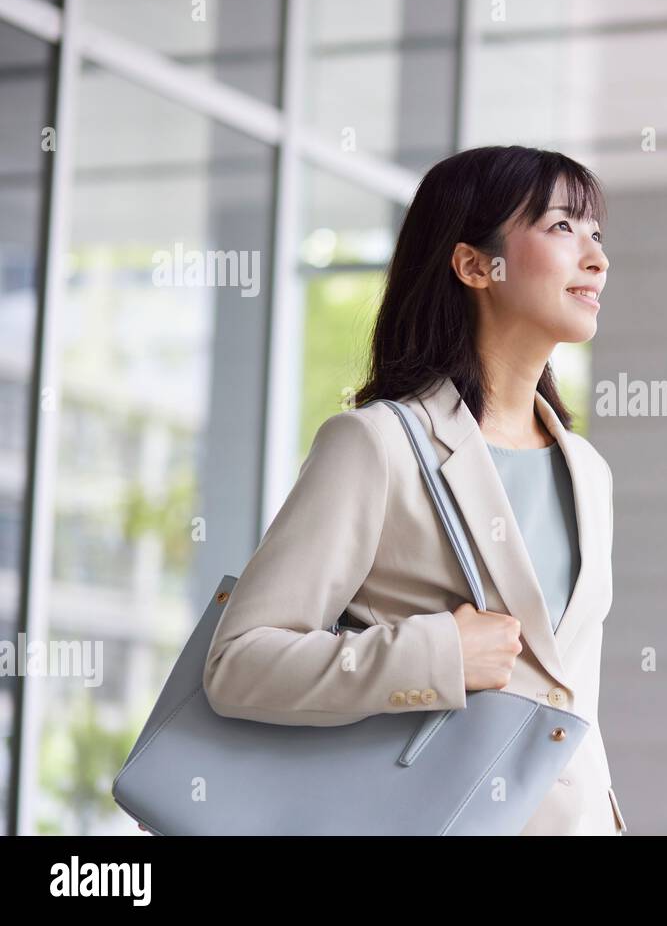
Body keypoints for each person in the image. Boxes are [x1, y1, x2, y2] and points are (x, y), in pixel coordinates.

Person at [202, 145, 627, 836]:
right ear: (471, 264)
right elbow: (239, 660)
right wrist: (438, 656)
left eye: (597, 234)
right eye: (561, 228)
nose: (596, 258)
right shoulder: (376, 445)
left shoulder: (589, 472)